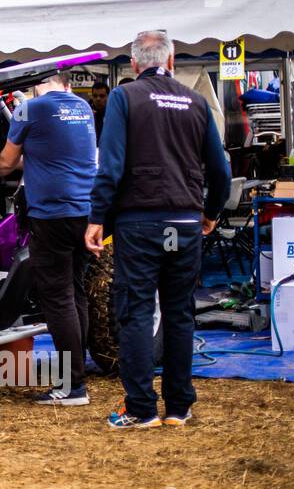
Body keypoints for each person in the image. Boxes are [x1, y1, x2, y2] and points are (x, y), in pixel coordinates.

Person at [85, 30, 230, 430]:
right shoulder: (198, 103)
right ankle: (179, 409)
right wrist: (211, 212)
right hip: (184, 222)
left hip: (139, 223)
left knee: (136, 313)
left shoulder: (124, 97)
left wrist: (97, 218)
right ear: (171, 61)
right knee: (180, 313)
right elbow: (221, 170)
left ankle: (141, 409)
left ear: (133, 64)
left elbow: (110, 166)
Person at [0, 71, 97, 406]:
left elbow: (7, 163)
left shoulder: (30, 108)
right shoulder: (83, 107)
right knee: (76, 291)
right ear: (66, 82)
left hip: (51, 213)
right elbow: (58, 154)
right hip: (85, 210)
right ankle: (77, 377)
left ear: (36, 84)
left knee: (57, 298)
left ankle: (72, 386)